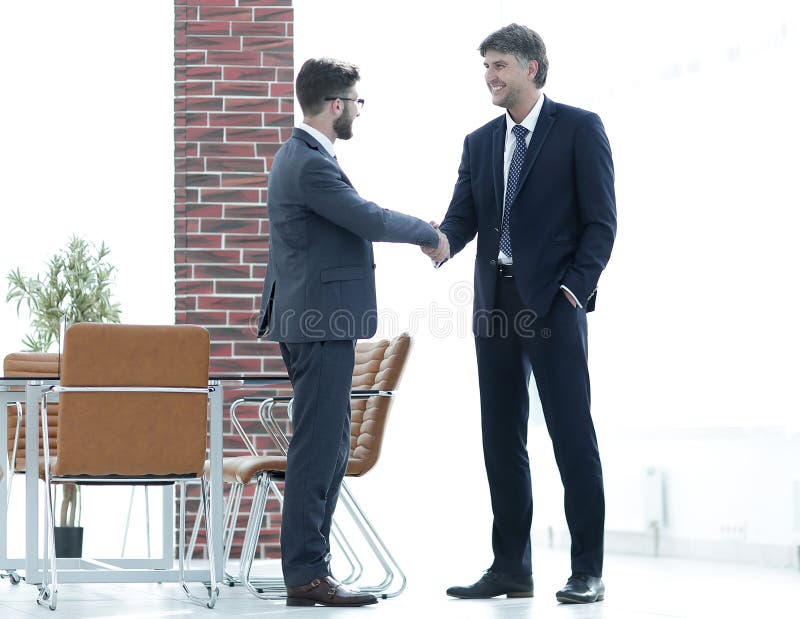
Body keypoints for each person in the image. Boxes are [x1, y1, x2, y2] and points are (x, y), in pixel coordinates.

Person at [425, 24, 616, 604]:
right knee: (500, 439)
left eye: (500, 65)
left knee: (570, 435)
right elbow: (462, 218)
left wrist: (573, 293)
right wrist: (434, 240)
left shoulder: (579, 128)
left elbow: (601, 223)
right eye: (486, 66)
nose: (490, 76)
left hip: (554, 304)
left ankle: (588, 570)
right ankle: (510, 568)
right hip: (495, 304)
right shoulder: (479, 141)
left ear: (532, 67)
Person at [257, 57, 447, 607]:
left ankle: (311, 570)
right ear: (336, 105)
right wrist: (427, 233)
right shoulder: (310, 163)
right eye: (356, 102)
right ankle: (307, 576)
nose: (358, 111)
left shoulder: (299, 156)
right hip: (318, 321)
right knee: (319, 448)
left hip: (312, 318)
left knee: (330, 443)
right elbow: (366, 218)